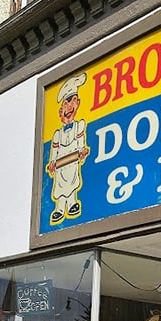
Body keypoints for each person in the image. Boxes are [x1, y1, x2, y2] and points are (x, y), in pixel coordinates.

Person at [46, 72, 89, 224]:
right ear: (60, 111)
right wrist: (52, 162)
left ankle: (71, 204)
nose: (69, 107)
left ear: (77, 104)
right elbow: (55, 150)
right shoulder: (57, 134)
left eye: (72, 102)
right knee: (59, 186)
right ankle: (59, 209)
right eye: (65, 104)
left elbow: (80, 141)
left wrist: (82, 150)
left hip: (72, 161)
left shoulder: (79, 126)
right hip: (60, 165)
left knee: (71, 184)